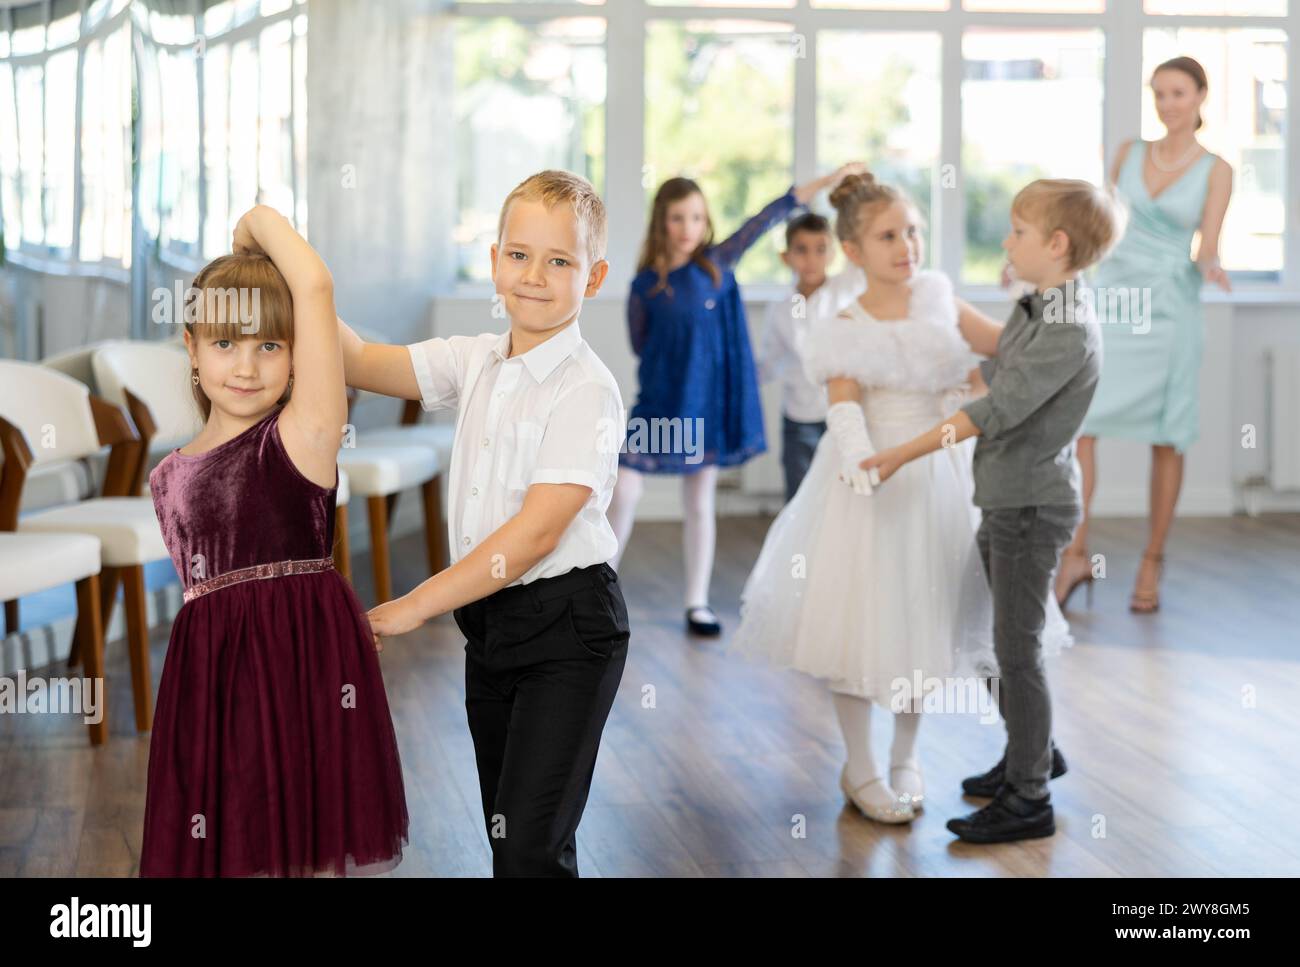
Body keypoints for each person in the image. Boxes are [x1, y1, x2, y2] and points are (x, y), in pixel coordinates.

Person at [339, 170, 628, 877]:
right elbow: (355, 359)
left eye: (559, 261)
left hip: (570, 630)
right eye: (520, 255)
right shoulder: (473, 359)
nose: (534, 276)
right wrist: (276, 253)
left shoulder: (586, 390)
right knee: (512, 836)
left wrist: (411, 607)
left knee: (530, 845)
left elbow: (533, 536)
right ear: (495, 259)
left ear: (592, 277)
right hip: (491, 630)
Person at [141, 205, 409, 876]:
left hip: (304, 656)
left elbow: (313, 284)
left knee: (307, 833)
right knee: (233, 835)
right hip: (212, 677)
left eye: (270, 345)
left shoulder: (304, 435)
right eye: (226, 343)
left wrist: (254, 226)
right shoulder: (166, 475)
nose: (248, 365)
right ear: (192, 348)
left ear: (296, 356)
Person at [864, 178, 1121, 843]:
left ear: (1056, 244)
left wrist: (902, 452)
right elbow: (997, 363)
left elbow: (996, 408)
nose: (1006, 242)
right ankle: (1031, 751)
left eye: (1017, 232)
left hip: (1033, 508)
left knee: (1015, 648)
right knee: (989, 635)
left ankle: (1030, 795)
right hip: (1007, 499)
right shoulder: (1040, 305)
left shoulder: (1069, 330)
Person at [606, 164, 865, 636]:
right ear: (661, 221)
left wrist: (826, 181)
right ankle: (598, 597)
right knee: (624, 489)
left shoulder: (717, 266)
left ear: (707, 223)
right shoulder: (645, 285)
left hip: (706, 407)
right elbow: (640, 344)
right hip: (660, 404)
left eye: (697, 218)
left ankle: (696, 604)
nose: (688, 229)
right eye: (678, 218)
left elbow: (768, 215)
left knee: (700, 501)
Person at [1059, 56, 1234, 613]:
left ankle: (1152, 561)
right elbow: (1101, 225)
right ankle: (1075, 555)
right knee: (1083, 428)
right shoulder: (1129, 152)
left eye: (1178, 93)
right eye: (1159, 93)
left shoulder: (1218, 169)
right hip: (1114, 298)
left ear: (1201, 96)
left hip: (1171, 306)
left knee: (1168, 434)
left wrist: (1213, 267)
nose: (1166, 103)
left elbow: (1207, 247)